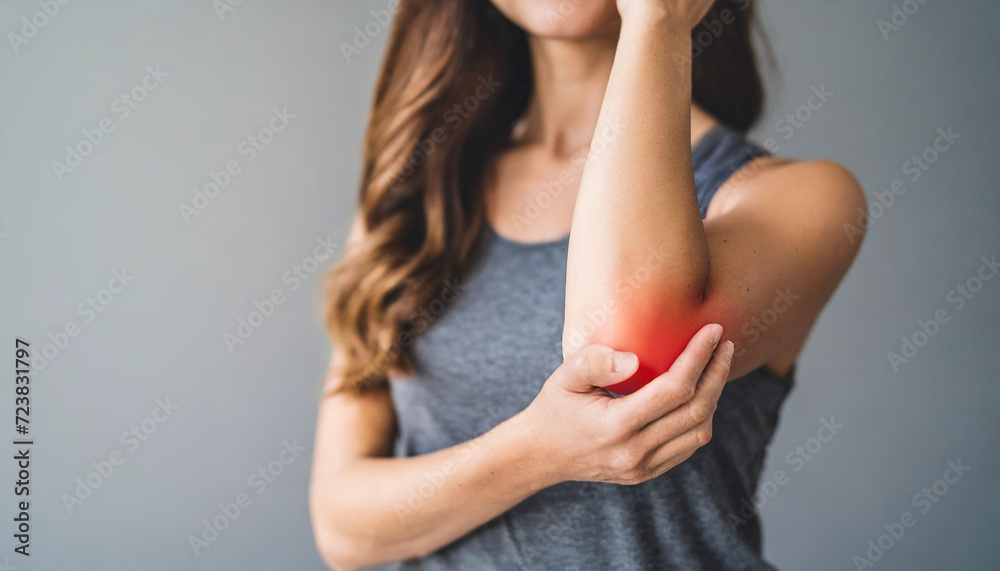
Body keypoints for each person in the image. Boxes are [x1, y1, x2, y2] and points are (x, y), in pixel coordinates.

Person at [311, 1, 865, 569]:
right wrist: (536, 452)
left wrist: (658, 23)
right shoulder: (418, 199)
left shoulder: (799, 198)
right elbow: (345, 532)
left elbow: (624, 356)